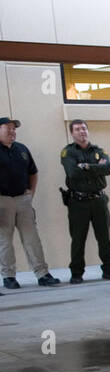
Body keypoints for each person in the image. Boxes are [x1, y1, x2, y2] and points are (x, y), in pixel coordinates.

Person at [0, 116, 59, 290]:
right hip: (2, 203)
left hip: (23, 201)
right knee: (4, 241)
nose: (12, 131)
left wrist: (31, 193)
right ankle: (9, 276)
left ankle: (42, 274)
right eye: (8, 128)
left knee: (32, 238)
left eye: (14, 128)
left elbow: (33, 172)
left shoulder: (22, 149)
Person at [60, 119, 110, 284]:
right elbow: (72, 173)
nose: (82, 132)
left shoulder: (99, 150)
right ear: (72, 133)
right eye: (77, 129)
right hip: (78, 202)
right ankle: (77, 273)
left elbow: (108, 169)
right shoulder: (68, 152)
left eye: (84, 128)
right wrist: (95, 167)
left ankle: (109, 269)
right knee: (78, 239)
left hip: (98, 200)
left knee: (104, 237)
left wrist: (85, 166)